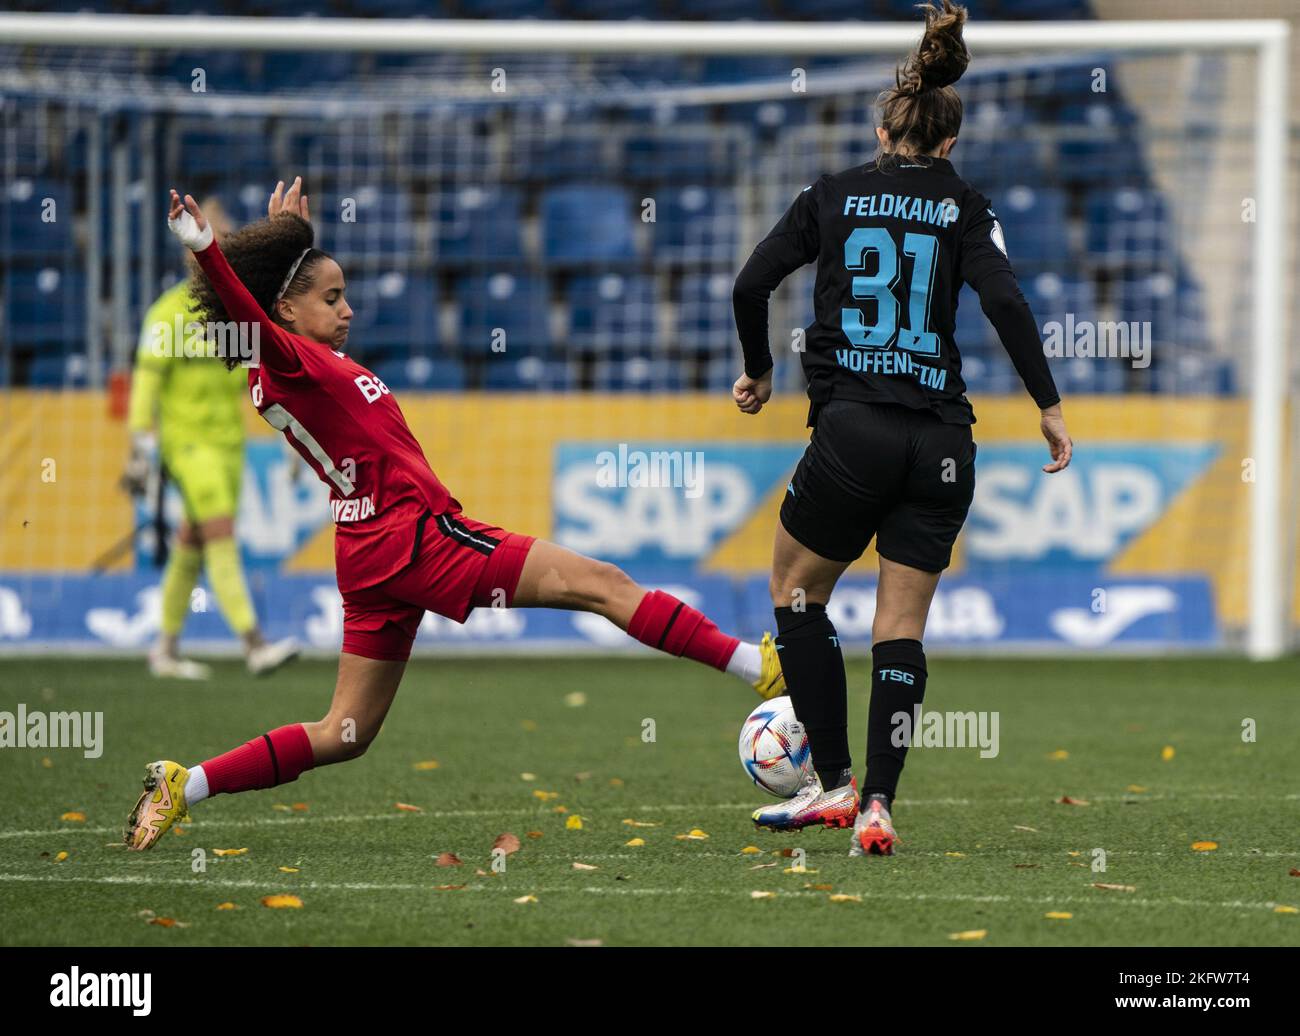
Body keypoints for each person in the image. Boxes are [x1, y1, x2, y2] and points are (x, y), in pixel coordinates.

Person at [125, 178, 785, 851]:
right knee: (602, 584)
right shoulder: (286, 358)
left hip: (367, 551)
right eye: (331, 299)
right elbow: (245, 314)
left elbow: (259, 310)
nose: (348, 310)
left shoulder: (297, 358)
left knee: (343, 733)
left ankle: (189, 783)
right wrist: (208, 248)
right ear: (286, 312)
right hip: (415, 537)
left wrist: (284, 240)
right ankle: (754, 667)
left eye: (345, 294)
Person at [730, 1, 1072, 856]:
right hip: (944, 442)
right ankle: (880, 803)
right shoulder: (966, 206)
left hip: (854, 429)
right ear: (949, 142)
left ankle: (835, 784)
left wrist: (760, 369)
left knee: (796, 592)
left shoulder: (831, 196)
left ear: (884, 130)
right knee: (901, 625)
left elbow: (750, 284)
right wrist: (1048, 405)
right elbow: (1005, 302)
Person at [124, 197, 299, 680]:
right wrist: (141, 449)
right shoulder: (167, 315)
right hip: (187, 447)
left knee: (192, 542)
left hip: (227, 448)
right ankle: (254, 643)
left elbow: (259, 382)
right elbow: (147, 383)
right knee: (221, 534)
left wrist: (290, 438)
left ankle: (164, 648)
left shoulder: (231, 319)